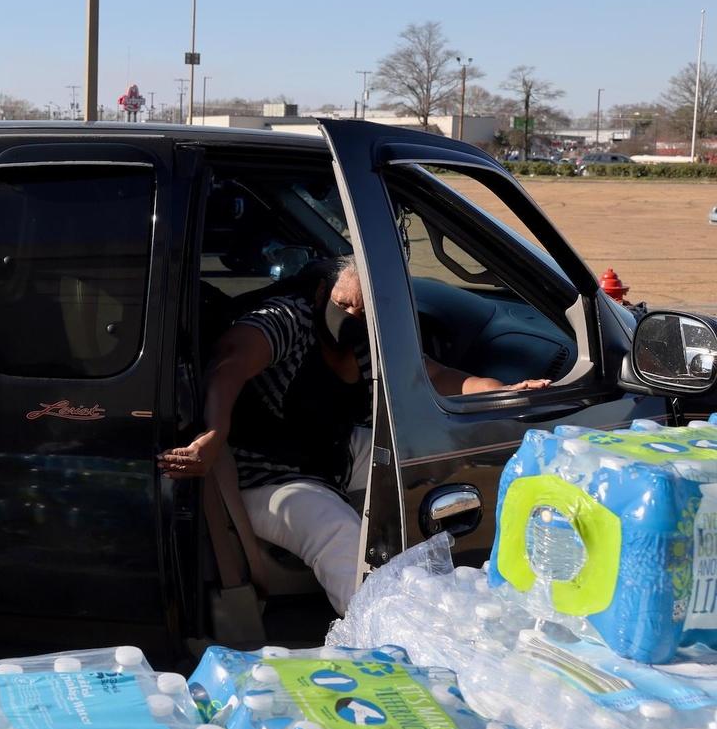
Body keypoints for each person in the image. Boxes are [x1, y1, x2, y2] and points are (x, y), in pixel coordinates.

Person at [158, 258, 547, 612]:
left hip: (331, 450)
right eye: (343, 304)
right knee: (341, 535)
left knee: (428, 450)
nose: (351, 316)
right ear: (321, 293)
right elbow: (230, 362)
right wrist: (213, 433)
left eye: (364, 311)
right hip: (265, 474)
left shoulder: (369, 336)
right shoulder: (288, 319)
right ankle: (382, 631)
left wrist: (504, 392)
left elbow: (437, 377)